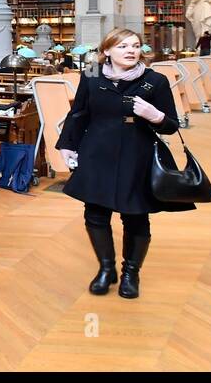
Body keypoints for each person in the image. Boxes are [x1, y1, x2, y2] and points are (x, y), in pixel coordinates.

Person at [57, 28, 188, 300]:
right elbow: (79, 113)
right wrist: (67, 144)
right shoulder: (91, 75)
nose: (130, 50)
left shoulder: (156, 81)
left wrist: (154, 116)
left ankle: (131, 272)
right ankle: (106, 269)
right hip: (96, 152)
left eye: (135, 46)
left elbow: (171, 125)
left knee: (136, 215)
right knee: (95, 213)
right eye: (122, 46)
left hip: (137, 154)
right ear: (106, 51)